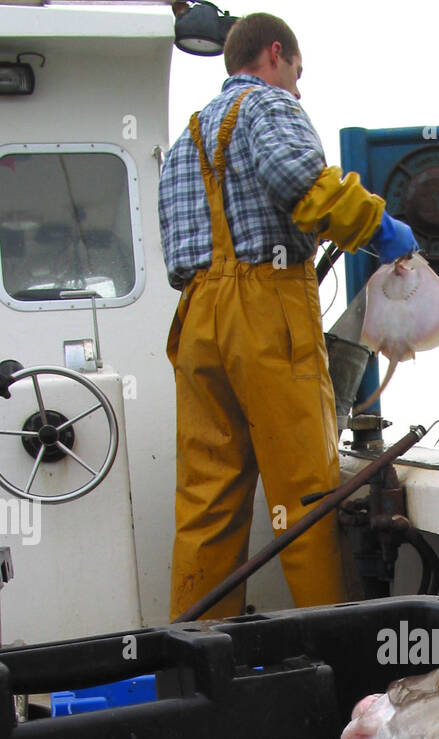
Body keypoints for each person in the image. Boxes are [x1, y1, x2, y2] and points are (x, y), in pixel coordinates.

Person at [159, 11, 417, 619]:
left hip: (197, 322)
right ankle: (336, 659)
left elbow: (176, 254)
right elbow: (303, 183)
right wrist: (378, 227)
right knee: (305, 496)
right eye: (297, 73)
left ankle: (197, 659)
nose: (298, 89)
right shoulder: (267, 105)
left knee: (206, 501)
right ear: (275, 54)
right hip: (263, 312)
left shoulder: (181, 144)